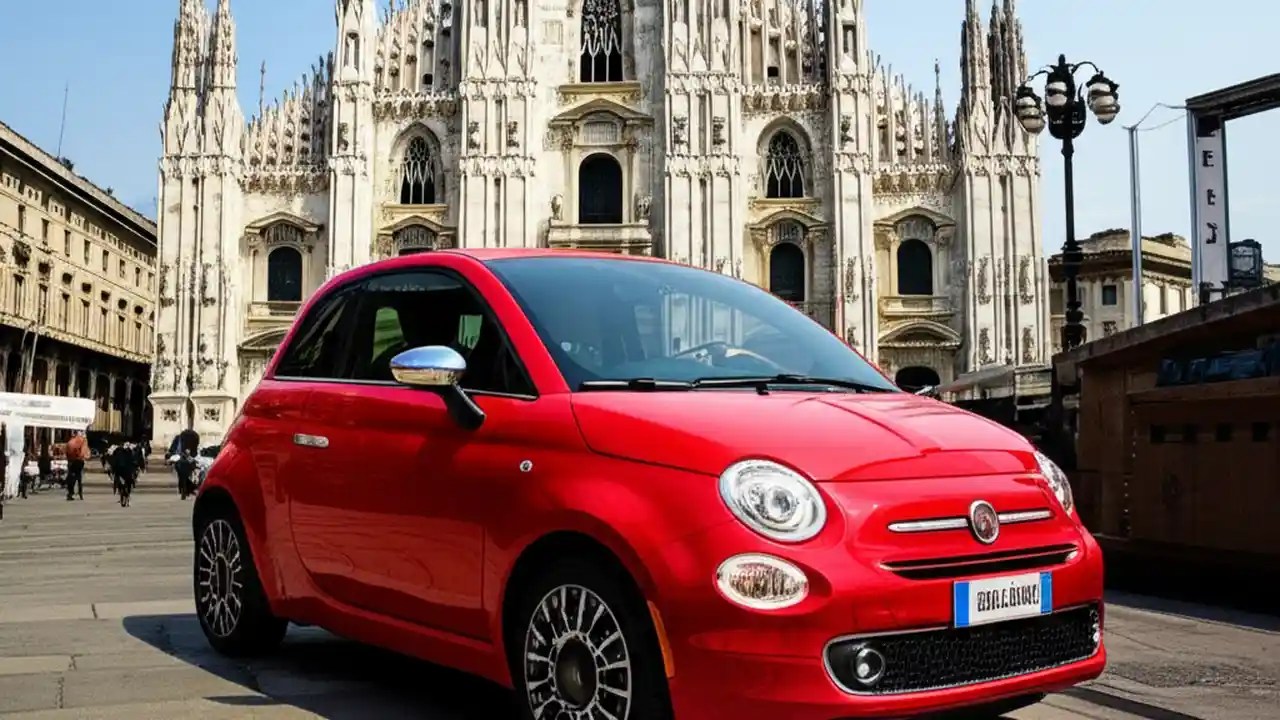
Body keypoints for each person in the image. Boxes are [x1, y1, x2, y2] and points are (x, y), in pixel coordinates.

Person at [64, 430, 88, 501]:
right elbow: (83, 453)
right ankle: (80, 494)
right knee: (79, 478)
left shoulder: (69, 442)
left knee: (71, 478)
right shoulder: (81, 441)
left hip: (71, 462)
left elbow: (67, 453)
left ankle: (70, 493)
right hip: (79, 462)